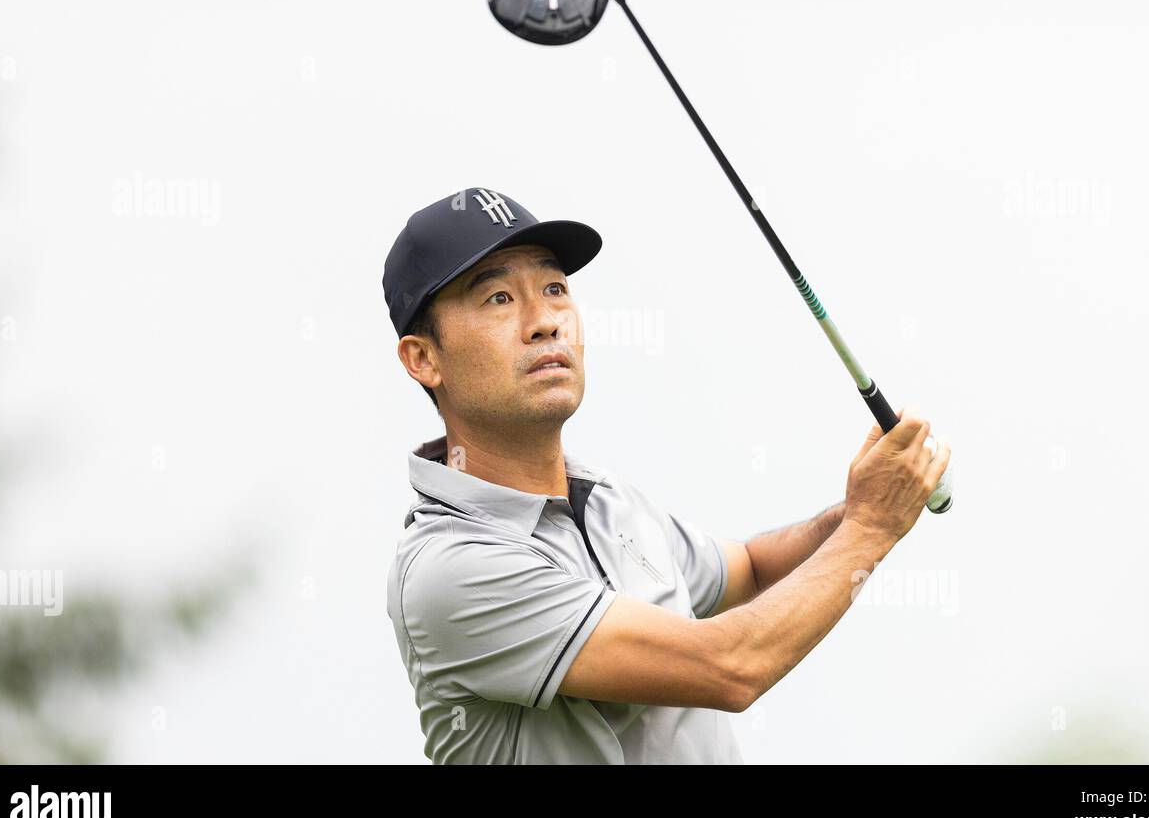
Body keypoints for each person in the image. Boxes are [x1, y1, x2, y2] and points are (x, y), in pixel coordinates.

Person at [382, 187, 951, 764]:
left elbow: (750, 569)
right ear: (423, 358)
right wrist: (873, 526)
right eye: (499, 298)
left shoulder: (608, 501)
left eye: (555, 289)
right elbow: (730, 667)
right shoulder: (451, 568)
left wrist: (858, 507)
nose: (545, 323)